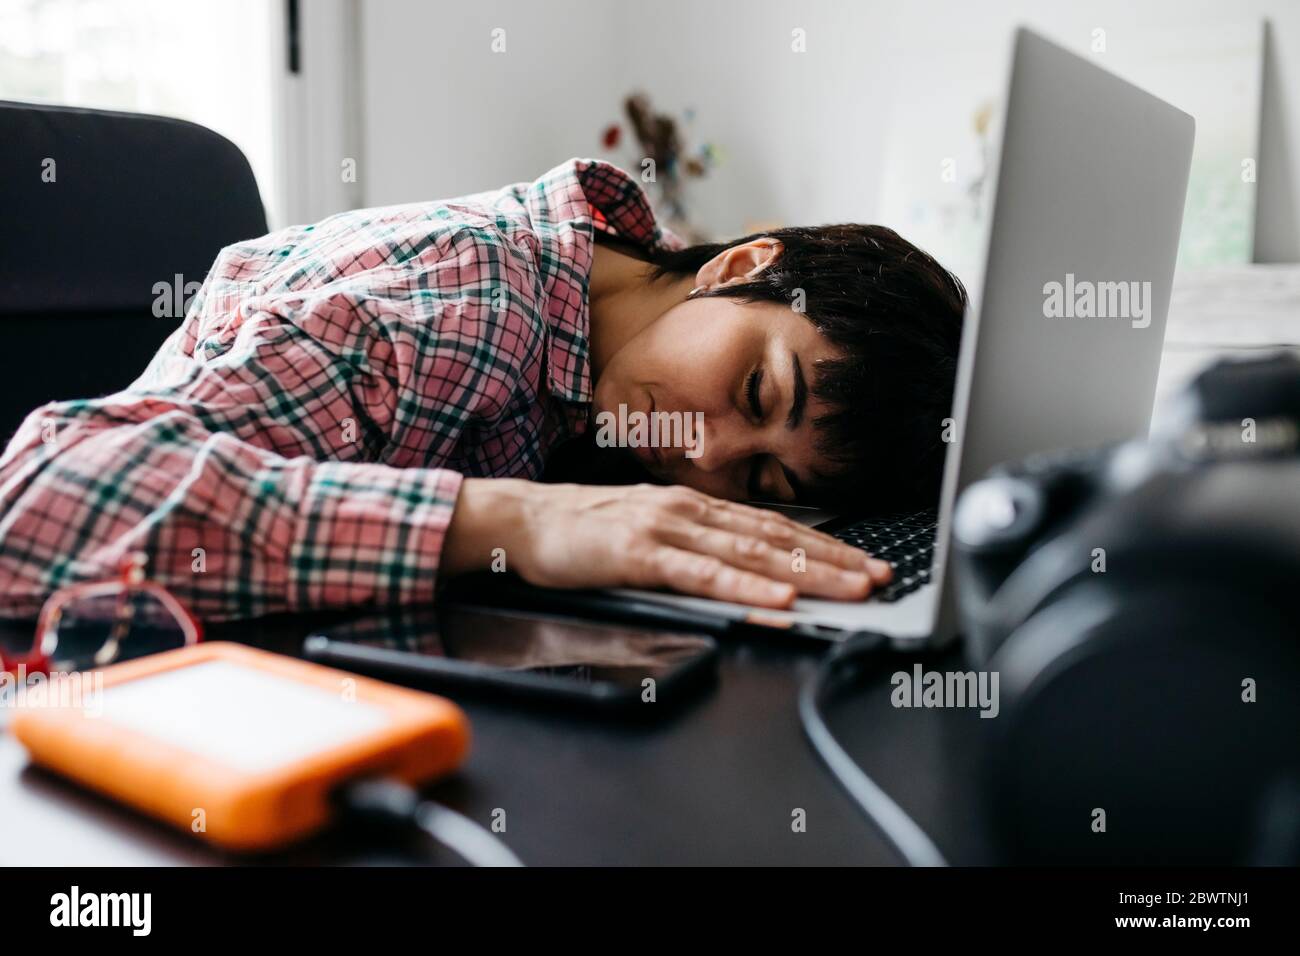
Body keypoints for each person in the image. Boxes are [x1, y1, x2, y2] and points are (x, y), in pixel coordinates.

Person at [0, 159, 966, 621]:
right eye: (758, 392)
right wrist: (517, 522)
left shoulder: (612, 309)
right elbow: (36, 502)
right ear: (743, 264)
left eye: (764, 486)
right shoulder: (453, 311)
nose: (704, 455)